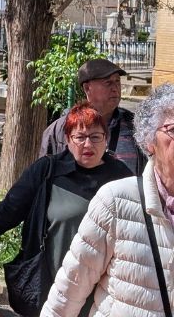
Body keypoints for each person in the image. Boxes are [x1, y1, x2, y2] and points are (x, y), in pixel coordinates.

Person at [0, 103, 130, 316]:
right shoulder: (47, 170)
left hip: (102, 288)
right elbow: (9, 210)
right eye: (80, 137)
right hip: (50, 281)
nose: (88, 144)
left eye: (95, 137)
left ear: (106, 138)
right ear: (67, 139)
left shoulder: (122, 177)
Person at [42, 84, 174, 316]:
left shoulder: (118, 170)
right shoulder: (116, 200)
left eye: (95, 137)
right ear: (149, 141)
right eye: (173, 129)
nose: (88, 145)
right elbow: (68, 291)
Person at [40, 58, 142, 174]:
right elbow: (44, 175)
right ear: (87, 88)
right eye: (108, 83)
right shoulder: (60, 129)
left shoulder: (135, 125)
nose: (115, 88)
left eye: (117, 81)